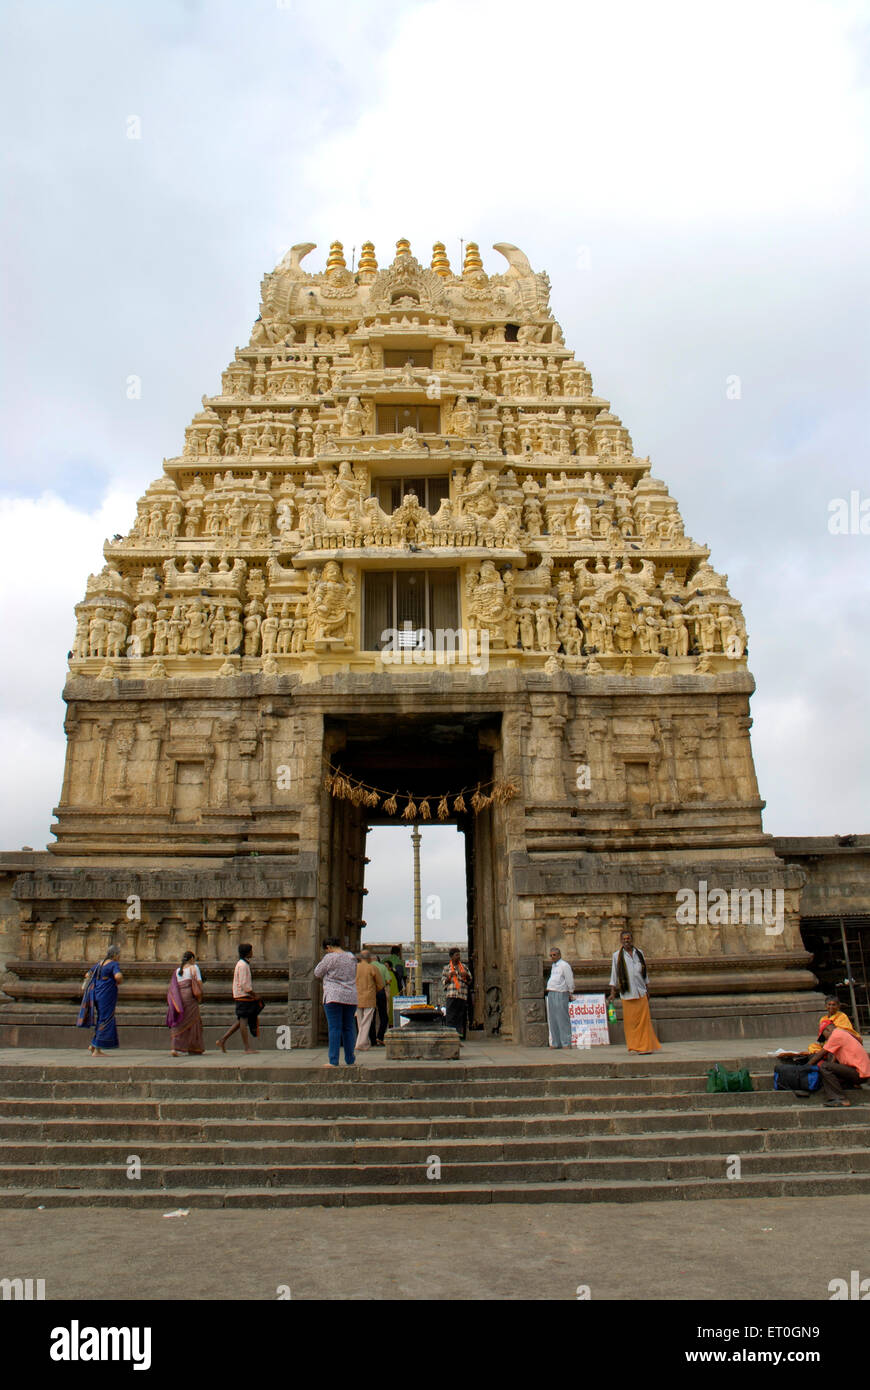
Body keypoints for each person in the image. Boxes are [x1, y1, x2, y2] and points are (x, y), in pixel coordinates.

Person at [608, 928, 661, 1054]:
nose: (626, 941)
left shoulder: (639, 953)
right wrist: (612, 992)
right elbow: (614, 975)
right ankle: (636, 1046)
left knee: (644, 1022)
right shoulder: (617, 956)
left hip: (641, 992)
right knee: (631, 1023)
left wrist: (648, 989)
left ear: (632, 940)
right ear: (621, 941)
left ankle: (646, 1046)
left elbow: (644, 973)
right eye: (624, 939)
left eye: (628, 939)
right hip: (627, 993)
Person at [314, 938, 358, 1067]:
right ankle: (350, 1059)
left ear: (328, 947)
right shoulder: (351, 957)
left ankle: (333, 1060)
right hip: (350, 995)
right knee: (348, 1028)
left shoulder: (330, 957)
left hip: (333, 995)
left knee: (334, 1028)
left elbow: (317, 973)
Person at [77, 944, 123, 1056]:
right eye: (119, 954)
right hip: (107, 995)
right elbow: (118, 976)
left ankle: (93, 1045)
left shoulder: (100, 963)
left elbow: (87, 974)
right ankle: (97, 1048)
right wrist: (119, 980)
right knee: (106, 1019)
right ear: (115, 955)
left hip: (96, 993)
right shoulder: (113, 964)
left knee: (101, 1018)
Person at [216, 943, 260, 1053]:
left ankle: (223, 1039)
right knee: (244, 1021)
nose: (252, 953)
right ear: (248, 952)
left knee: (241, 1021)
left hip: (241, 995)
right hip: (243, 996)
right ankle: (247, 1047)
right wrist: (254, 994)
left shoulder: (242, 964)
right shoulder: (243, 965)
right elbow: (244, 984)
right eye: (251, 951)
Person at [814, 1022, 870, 1107]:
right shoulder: (843, 1033)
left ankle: (840, 1099)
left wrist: (804, 1067)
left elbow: (819, 1055)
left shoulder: (836, 1035)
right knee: (827, 1066)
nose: (826, 1040)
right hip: (861, 1073)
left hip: (859, 1073)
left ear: (827, 1030)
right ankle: (848, 1086)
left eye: (824, 1036)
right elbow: (832, 1062)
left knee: (824, 1066)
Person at [166, 949, 204, 1056]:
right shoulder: (194, 968)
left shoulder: (177, 971)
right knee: (193, 1020)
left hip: (179, 998)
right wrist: (200, 996)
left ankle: (174, 1047)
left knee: (179, 1021)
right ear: (191, 959)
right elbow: (199, 983)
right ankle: (194, 1047)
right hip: (190, 997)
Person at [545, 946, 574, 1049]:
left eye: (554, 955)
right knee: (553, 1019)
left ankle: (566, 1042)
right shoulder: (554, 966)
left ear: (559, 955)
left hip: (561, 992)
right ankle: (556, 1042)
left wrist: (571, 991)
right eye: (551, 955)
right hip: (552, 992)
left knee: (562, 1018)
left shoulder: (564, 965)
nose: (552, 957)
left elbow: (569, 979)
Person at [441, 948, 472, 1040]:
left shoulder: (464, 967)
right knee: (451, 1017)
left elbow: (470, 981)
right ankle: (451, 1037)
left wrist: (466, 975)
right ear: (451, 957)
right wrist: (449, 976)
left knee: (461, 1017)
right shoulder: (447, 968)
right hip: (452, 995)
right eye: (456, 955)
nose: (458, 957)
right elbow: (443, 982)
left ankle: (460, 1037)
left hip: (462, 995)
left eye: (459, 955)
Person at [354, 949, 382, 1051]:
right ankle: (361, 1043)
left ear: (360, 958)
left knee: (360, 1021)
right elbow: (380, 984)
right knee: (366, 1022)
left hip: (357, 997)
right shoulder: (372, 968)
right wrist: (374, 989)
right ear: (369, 958)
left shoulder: (355, 968)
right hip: (369, 997)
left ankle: (364, 1042)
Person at [370, 953, 391, 1047]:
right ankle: (380, 1036)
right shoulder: (383, 967)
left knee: (371, 1016)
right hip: (380, 991)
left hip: (370, 992)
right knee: (384, 1016)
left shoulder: (367, 967)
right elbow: (388, 980)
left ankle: (372, 1039)